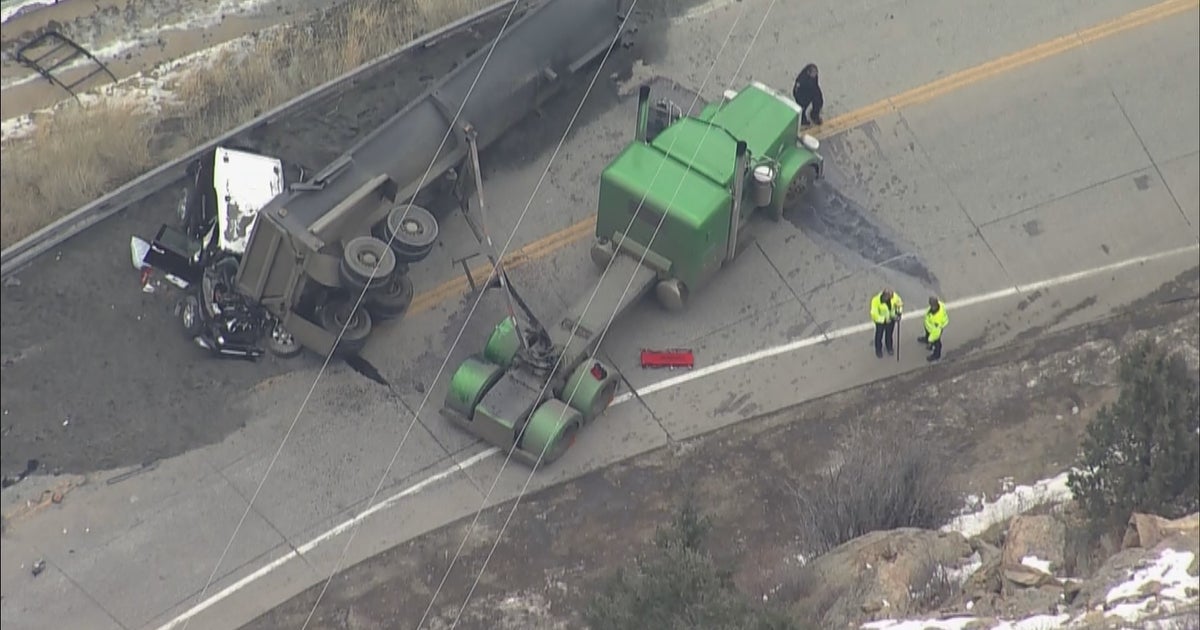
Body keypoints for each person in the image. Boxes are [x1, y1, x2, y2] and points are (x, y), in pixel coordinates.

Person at [869, 289, 903, 358]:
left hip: (891, 319)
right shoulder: (875, 300)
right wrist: (884, 319)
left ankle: (889, 347)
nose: (891, 299)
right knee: (879, 336)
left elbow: (899, 304)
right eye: (889, 298)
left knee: (889, 334)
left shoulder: (894, 297)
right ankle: (878, 350)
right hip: (880, 322)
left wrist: (899, 314)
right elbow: (874, 314)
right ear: (884, 297)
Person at [919, 296, 949, 362]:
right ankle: (926, 339)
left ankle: (936, 355)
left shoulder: (938, 318)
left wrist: (930, 340)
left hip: (934, 331)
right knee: (928, 334)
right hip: (929, 327)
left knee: (937, 343)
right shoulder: (938, 305)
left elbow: (935, 333)